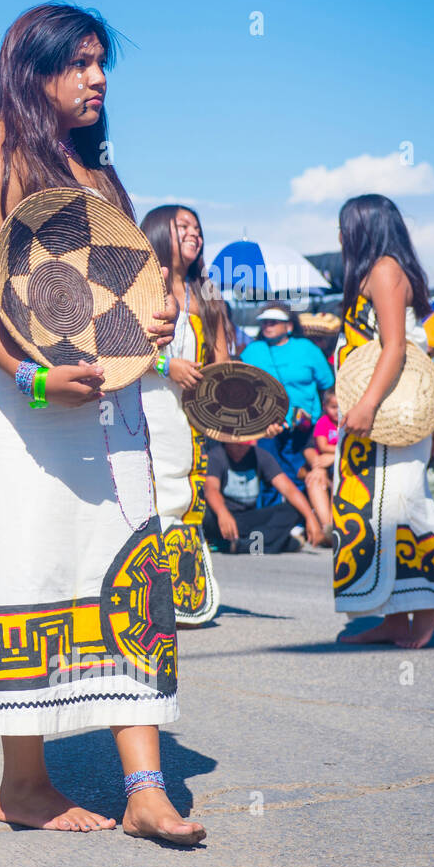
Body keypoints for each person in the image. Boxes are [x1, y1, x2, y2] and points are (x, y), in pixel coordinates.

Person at [0, 2, 203, 844]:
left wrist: (152, 325)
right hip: (16, 402)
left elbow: (125, 289)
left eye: (103, 64)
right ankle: (23, 785)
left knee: (128, 568)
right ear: (34, 69)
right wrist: (29, 375)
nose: (98, 79)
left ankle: (146, 786)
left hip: (108, 402)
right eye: (81, 63)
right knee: (31, 566)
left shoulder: (94, 168)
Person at [333, 194, 434, 648]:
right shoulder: (376, 272)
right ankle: (394, 615)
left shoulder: (384, 269)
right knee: (370, 508)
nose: (340, 237)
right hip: (370, 409)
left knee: (400, 502)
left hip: (387, 410)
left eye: (345, 227)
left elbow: (395, 347)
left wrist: (365, 405)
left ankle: (430, 598)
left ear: (365, 227)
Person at [140, 205, 232, 625]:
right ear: (159, 231)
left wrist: (246, 413)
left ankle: (180, 593)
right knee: (155, 493)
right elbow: (117, 346)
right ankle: (148, 593)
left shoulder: (207, 293)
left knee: (186, 495)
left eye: (197, 228)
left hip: (192, 416)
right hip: (147, 407)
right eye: (183, 227)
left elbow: (223, 367)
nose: (194, 234)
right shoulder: (139, 282)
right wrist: (165, 366)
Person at [240, 304, 334, 489]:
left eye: (274, 322)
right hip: (267, 427)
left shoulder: (307, 348)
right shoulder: (252, 351)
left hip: (304, 427)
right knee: (270, 480)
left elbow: (327, 384)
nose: (268, 326)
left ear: (289, 326)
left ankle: (306, 517)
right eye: (265, 322)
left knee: (306, 478)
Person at [203, 439, 323, 553]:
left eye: (245, 442)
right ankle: (278, 543)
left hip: (248, 519)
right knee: (206, 515)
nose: (241, 446)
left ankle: (240, 546)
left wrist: (310, 518)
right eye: (236, 443)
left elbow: (288, 489)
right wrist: (222, 513)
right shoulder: (216, 456)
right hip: (221, 518)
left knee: (293, 511)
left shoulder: (260, 455)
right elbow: (211, 489)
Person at [304, 388, 339, 532]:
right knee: (315, 480)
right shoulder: (323, 422)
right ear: (325, 407)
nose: (337, 411)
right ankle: (328, 527)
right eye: (333, 407)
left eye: (340, 407)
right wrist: (318, 465)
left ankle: (335, 525)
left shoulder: (350, 422)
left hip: (339, 465)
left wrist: (335, 455)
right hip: (322, 465)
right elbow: (320, 447)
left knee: (339, 479)